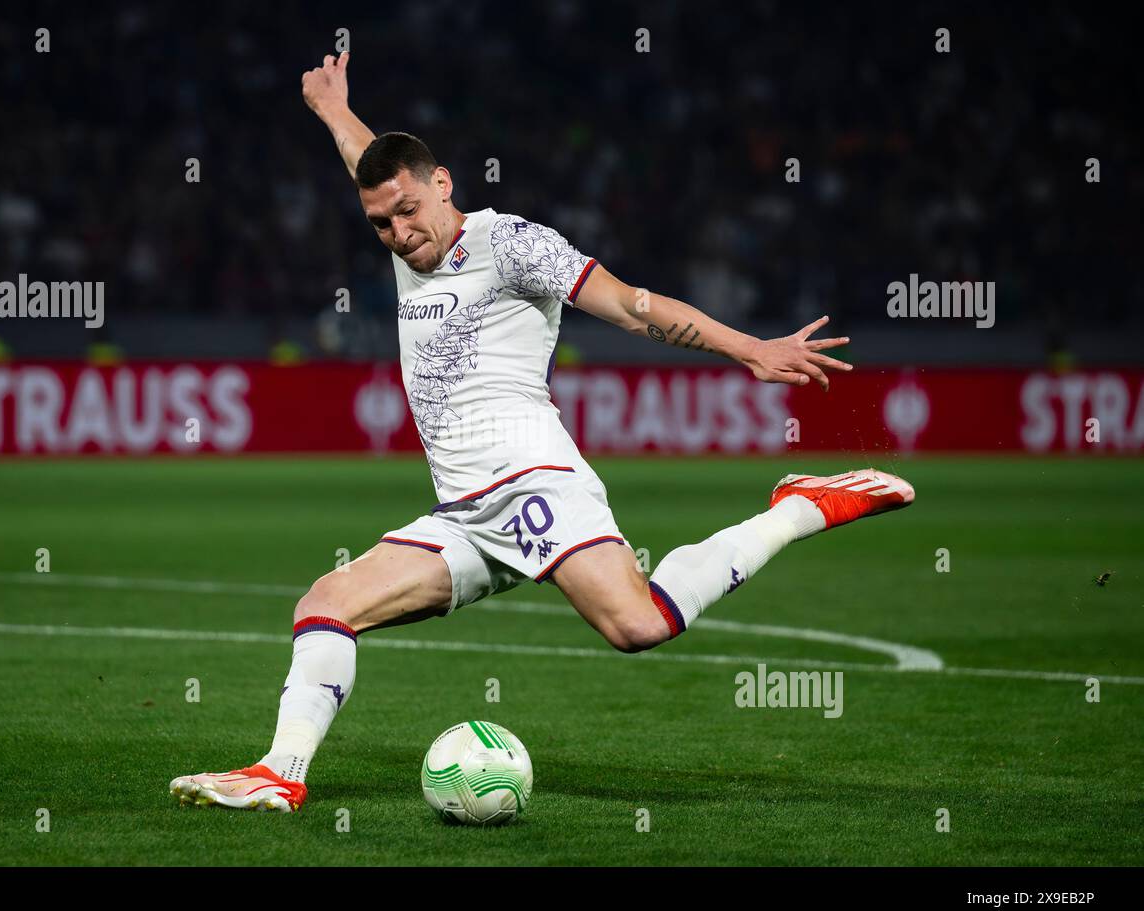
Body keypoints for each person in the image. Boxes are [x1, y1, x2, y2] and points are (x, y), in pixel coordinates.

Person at [170, 52, 914, 812]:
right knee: (325, 603)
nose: (397, 233)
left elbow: (632, 306)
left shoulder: (512, 245)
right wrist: (330, 107)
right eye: (380, 223)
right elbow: (372, 162)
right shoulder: (407, 228)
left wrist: (751, 348)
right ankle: (280, 773)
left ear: (444, 184)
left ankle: (798, 508)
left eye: (407, 212)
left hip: (532, 481)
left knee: (637, 625)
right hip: (463, 511)